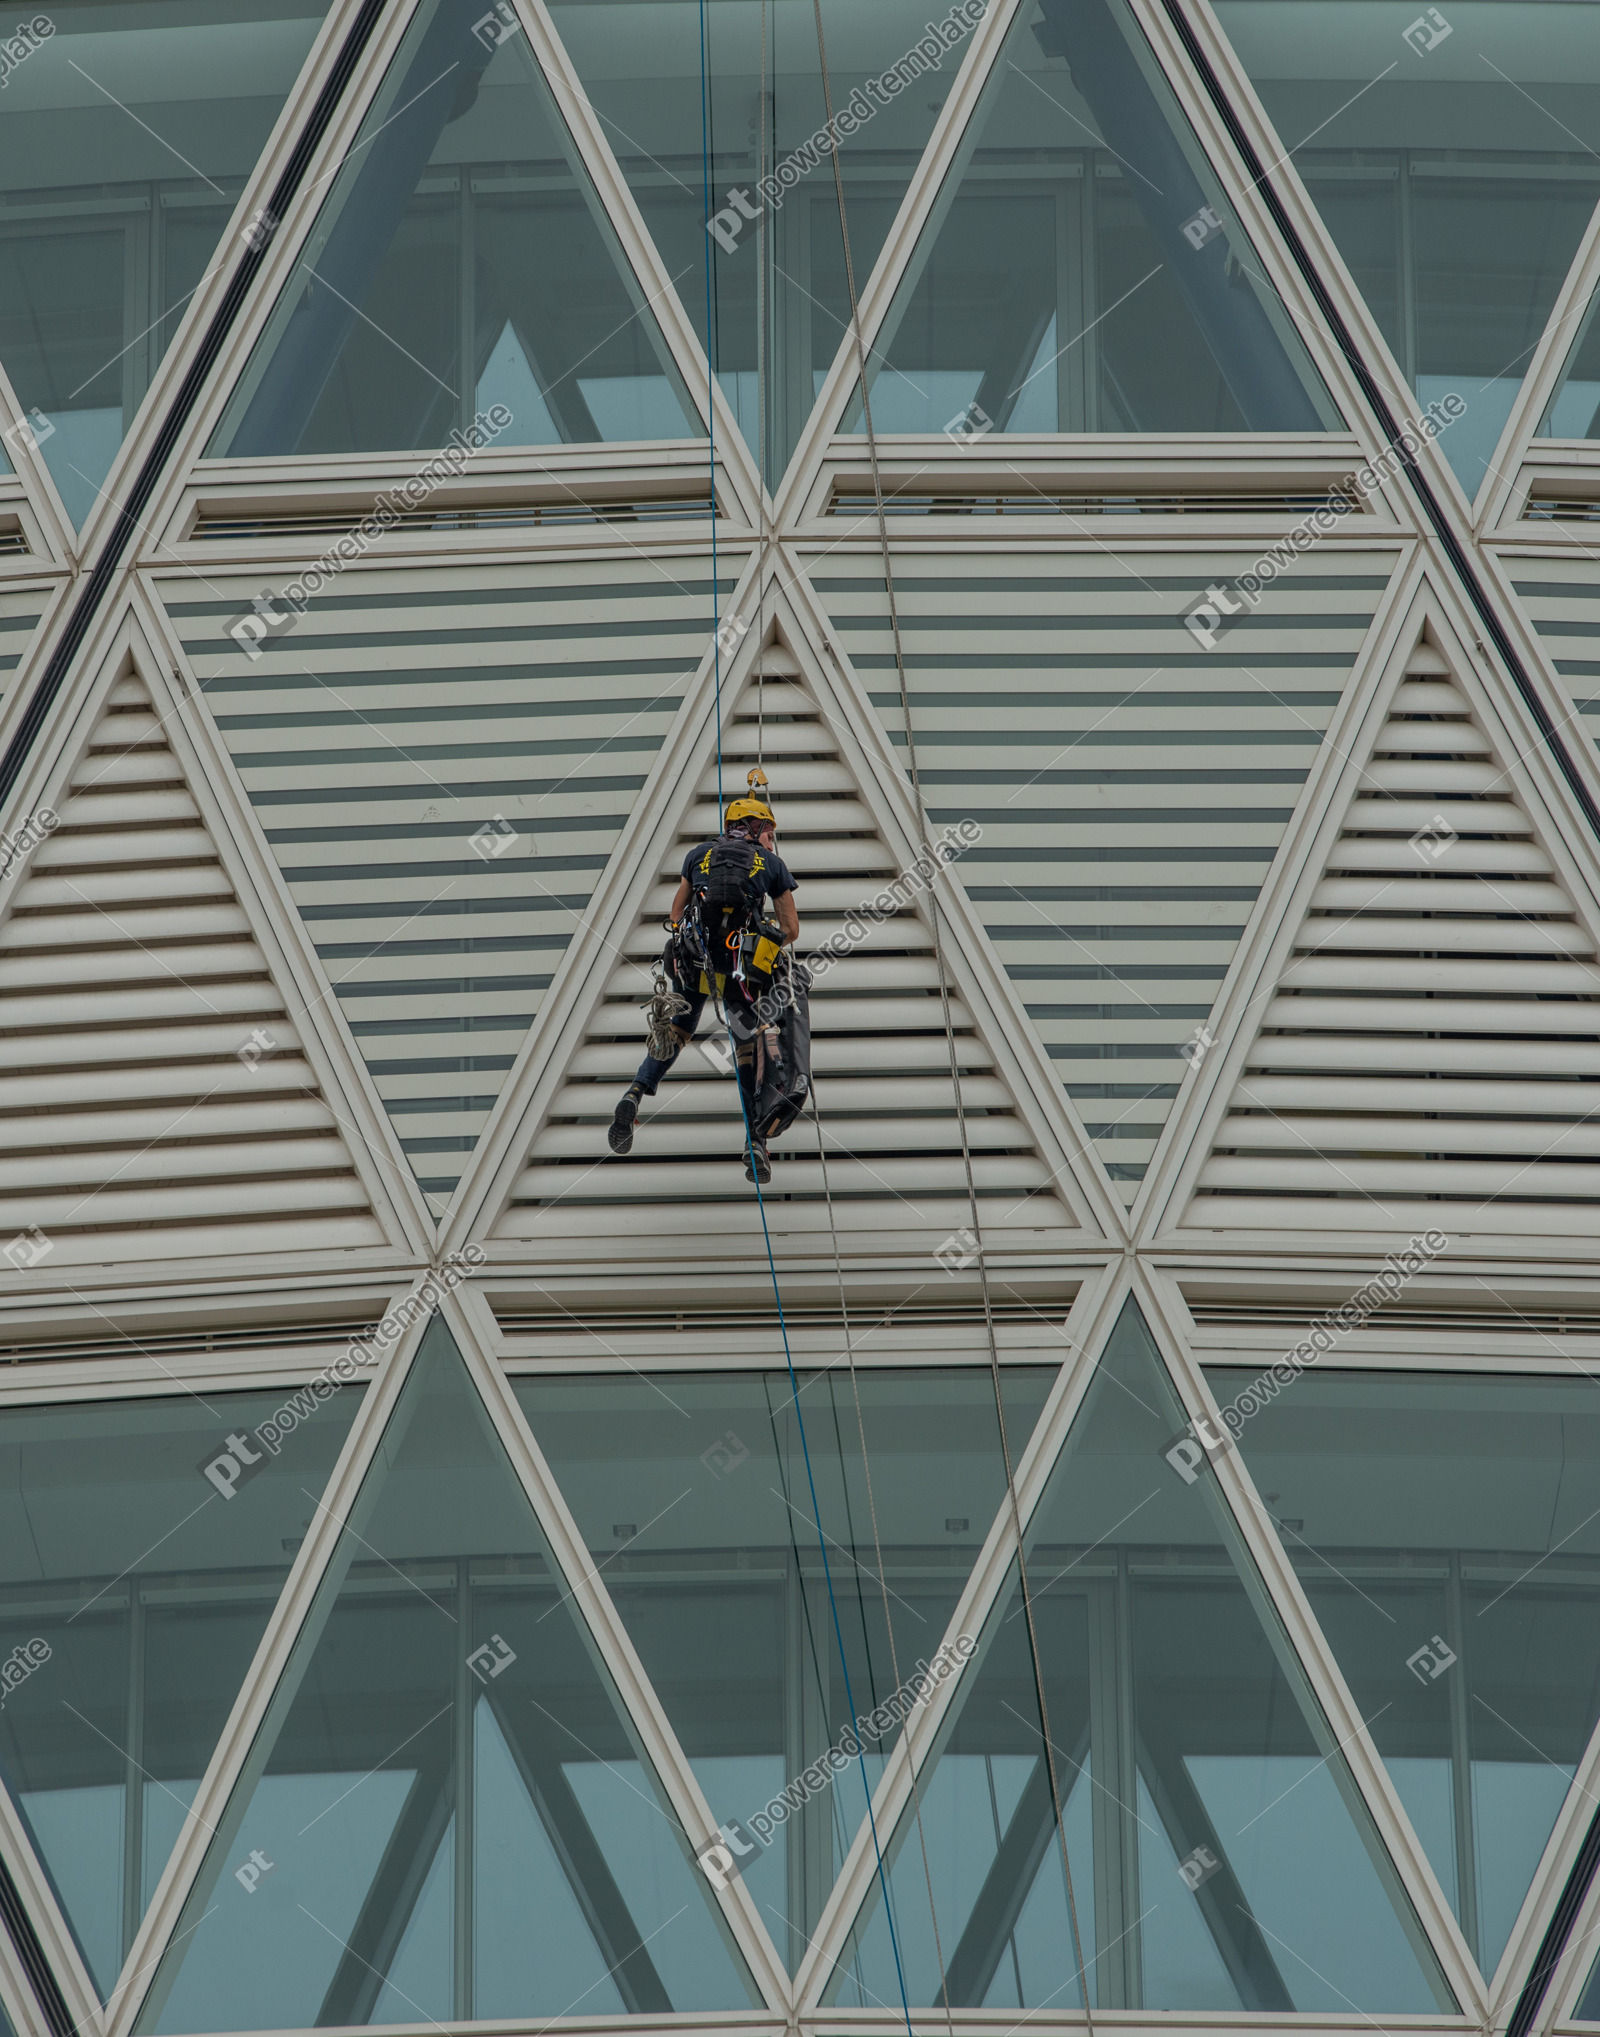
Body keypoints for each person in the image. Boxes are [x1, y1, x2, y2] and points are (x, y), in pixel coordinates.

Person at [608, 791, 800, 1182]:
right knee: (745, 1048)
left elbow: (676, 913)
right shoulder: (773, 865)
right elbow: (791, 930)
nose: (771, 840)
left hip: (695, 964)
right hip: (740, 971)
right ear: (755, 827)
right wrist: (764, 940)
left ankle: (635, 1092)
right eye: (769, 832)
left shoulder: (698, 855)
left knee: (678, 1030)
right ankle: (755, 1143)